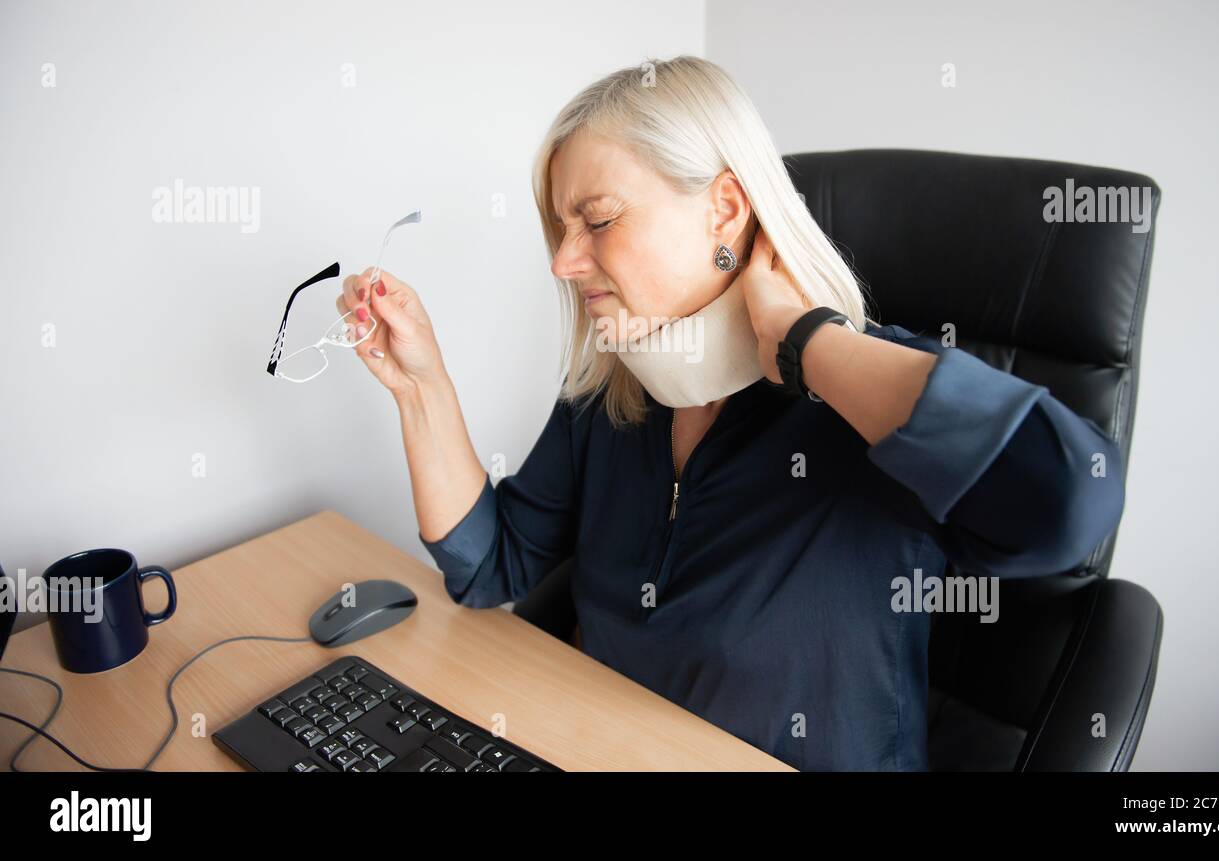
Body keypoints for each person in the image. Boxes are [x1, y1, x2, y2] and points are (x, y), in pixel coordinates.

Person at [334, 55, 1125, 771]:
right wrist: (420, 386)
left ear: (723, 211)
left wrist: (805, 339)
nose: (564, 262)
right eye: (562, 229)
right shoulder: (613, 396)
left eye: (598, 220)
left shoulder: (867, 404)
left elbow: (1071, 503)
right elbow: (490, 568)